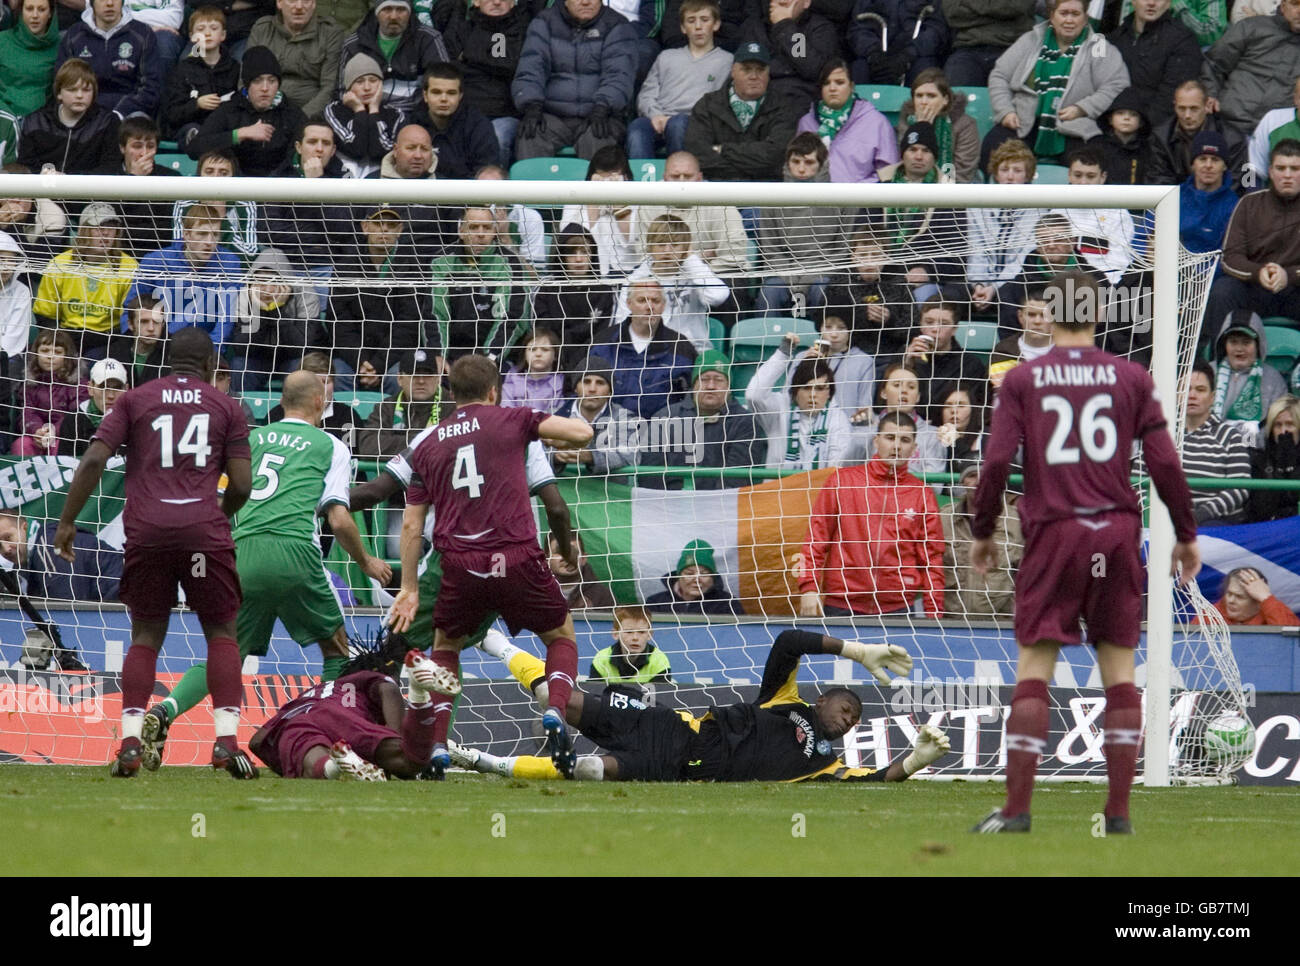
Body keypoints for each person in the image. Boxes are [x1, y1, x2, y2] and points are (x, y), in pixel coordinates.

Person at [968, 270, 1199, 834]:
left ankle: (1018, 810)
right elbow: (1165, 463)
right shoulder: (1131, 377)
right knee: (1119, 671)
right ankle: (1118, 814)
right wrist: (1186, 532)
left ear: (1048, 314)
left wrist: (983, 528)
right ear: (1099, 315)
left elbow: (996, 462)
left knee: (1036, 667)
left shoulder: (1024, 379)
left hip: (1053, 531)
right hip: (1116, 531)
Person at [136, 369, 392, 769]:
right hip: (295, 555)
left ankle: (165, 710)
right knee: (337, 648)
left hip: (244, 554)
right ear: (320, 403)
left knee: (226, 653)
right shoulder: (330, 446)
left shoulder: (249, 439)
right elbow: (338, 519)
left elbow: (216, 501)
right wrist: (366, 561)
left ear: (282, 402)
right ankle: (324, 735)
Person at [53, 327, 257, 779]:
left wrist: (67, 522)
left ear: (167, 363)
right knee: (221, 631)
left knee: (146, 635)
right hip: (202, 535)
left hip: (147, 534)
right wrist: (219, 514)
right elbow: (242, 484)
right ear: (209, 366)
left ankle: (128, 743)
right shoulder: (226, 406)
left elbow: (92, 461)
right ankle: (225, 743)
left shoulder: (134, 400)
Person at [387, 353, 595, 776]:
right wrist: (543, 432)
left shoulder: (428, 443)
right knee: (560, 635)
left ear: (451, 394)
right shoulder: (513, 419)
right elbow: (581, 432)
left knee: (445, 648)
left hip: (461, 564)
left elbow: (411, 526)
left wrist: (409, 587)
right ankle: (555, 709)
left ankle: (439, 745)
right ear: (493, 391)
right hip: (517, 555)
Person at [460, 627, 948, 783]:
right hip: (673, 728)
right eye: (846, 710)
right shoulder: (785, 700)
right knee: (555, 697)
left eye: (856, 721)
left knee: (587, 770)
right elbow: (787, 642)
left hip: (673, 766)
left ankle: (482, 761)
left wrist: (916, 761)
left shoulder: (824, 765)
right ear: (822, 698)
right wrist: (856, 651)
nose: (849, 721)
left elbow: (874, 783)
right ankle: (496, 643)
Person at [248, 630, 460, 780]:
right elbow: (387, 688)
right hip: (343, 716)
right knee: (411, 763)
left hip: (294, 724)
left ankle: (336, 765)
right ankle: (418, 689)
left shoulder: (310, 695)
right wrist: (397, 742)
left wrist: (288, 764)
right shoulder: (371, 678)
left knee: (316, 767)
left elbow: (256, 742)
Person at [800, 410, 945, 618]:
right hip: (842, 602)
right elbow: (816, 539)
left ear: (914, 448)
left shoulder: (921, 494)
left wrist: (934, 612)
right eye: (890, 437)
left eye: (904, 440)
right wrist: (809, 587)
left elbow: (932, 559)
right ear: (876, 441)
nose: (896, 446)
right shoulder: (842, 481)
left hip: (898, 608)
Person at [983, 0, 1130, 168]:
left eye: (1075, 14)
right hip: (1024, 123)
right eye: (1063, 13)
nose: (1069, 20)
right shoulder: (1031, 40)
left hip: (1075, 128)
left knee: (1095, 161)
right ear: (1052, 16)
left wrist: (1083, 108)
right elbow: (999, 75)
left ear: (1085, 18)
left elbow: (1117, 85)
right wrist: (1005, 111)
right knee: (994, 146)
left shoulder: (1099, 46)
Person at [1202, 140, 1300, 348]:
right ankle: (1217, 367)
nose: (1288, 175)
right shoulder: (1249, 203)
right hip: (1255, 289)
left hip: (1296, 289)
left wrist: (1288, 275)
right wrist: (1260, 272)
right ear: (1270, 172)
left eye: (1295, 168)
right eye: (1281, 168)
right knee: (1222, 291)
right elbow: (1230, 257)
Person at [510, 0, 636, 161]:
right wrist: (531, 105)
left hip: (600, 115)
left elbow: (619, 74)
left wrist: (603, 107)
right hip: (552, 116)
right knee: (530, 135)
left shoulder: (617, 25)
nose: (585, 2)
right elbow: (531, 68)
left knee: (600, 139)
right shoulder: (544, 22)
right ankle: (534, 188)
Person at [124, 204, 243, 353]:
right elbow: (132, 305)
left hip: (204, 346)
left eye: (215, 234)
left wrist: (213, 351)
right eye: (202, 234)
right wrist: (129, 345)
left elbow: (226, 317)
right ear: (186, 235)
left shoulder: (229, 263)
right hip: (158, 345)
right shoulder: (156, 261)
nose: (209, 242)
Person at [755, 132, 852, 315]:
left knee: (823, 289)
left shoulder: (842, 198)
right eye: (796, 161)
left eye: (809, 163)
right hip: (784, 273)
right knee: (769, 291)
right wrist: (792, 276)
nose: (801, 169)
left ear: (821, 164)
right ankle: (764, 343)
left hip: (825, 273)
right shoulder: (771, 198)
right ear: (787, 162)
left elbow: (843, 249)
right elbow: (770, 248)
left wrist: (812, 275)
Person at [640, 349, 763, 490]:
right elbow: (650, 474)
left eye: (719, 380)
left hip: (721, 507)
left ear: (729, 387)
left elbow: (737, 478)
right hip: (668, 506)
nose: (711, 386)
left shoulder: (745, 423)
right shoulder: (665, 418)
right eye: (704, 379)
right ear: (694, 385)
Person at [683, 41, 802, 183]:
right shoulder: (708, 105)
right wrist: (741, 174)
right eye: (746, 69)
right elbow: (698, 154)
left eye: (760, 70)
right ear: (733, 71)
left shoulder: (784, 106)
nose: (753, 76)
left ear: (768, 73)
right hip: (718, 185)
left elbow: (775, 155)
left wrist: (723, 149)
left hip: (766, 188)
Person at [628, 0, 731, 161]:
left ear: (716, 24)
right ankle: (642, 182)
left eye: (704, 20)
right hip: (660, 120)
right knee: (637, 127)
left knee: (678, 123)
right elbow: (646, 94)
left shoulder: (726, 61)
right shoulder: (666, 57)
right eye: (691, 21)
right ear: (683, 28)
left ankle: (680, 179)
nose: (698, 27)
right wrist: (656, 115)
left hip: (696, 124)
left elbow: (722, 103)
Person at [33, 202, 137, 359]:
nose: (106, 234)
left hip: (109, 339)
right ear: (83, 231)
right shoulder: (60, 264)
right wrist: (63, 342)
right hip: (66, 337)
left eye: (111, 227)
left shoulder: (129, 267)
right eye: (99, 228)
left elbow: (129, 321)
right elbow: (45, 316)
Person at [187, 46, 307, 177]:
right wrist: (239, 134)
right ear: (247, 84)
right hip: (237, 187)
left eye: (272, 81)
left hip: (278, 187)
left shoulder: (292, 113)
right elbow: (195, 148)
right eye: (257, 81)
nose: (265, 88)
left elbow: (298, 155)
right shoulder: (229, 110)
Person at [619, 212, 729, 350]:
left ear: (686, 248)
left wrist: (690, 259)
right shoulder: (635, 280)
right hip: (649, 351)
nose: (667, 251)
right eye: (660, 244)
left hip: (694, 349)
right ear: (650, 246)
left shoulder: (695, 273)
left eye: (675, 244)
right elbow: (622, 322)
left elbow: (718, 296)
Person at [440, 0, 529, 167]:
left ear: (513, 3)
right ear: (476, 2)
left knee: (496, 138)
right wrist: (493, 63)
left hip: (505, 114)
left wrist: (471, 56)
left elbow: (512, 65)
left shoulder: (522, 30)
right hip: (464, 112)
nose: (496, 2)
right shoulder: (462, 29)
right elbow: (450, 69)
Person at [590, 279, 697, 419]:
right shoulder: (604, 341)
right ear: (629, 304)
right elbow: (584, 389)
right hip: (607, 430)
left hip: (662, 432)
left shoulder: (681, 346)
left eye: (655, 301)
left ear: (664, 306)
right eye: (642, 300)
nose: (649, 306)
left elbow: (691, 398)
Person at [635, 151, 752, 278]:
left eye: (687, 176)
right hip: (663, 277)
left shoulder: (720, 202)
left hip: (718, 275)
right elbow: (645, 255)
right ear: (664, 178)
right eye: (675, 176)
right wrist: (702, 256)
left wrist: (696, 272)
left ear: (699, 178)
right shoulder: (648, 205)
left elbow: (733, 256)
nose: (681, 182)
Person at [429, 206, 521, 364]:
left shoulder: (509, 264)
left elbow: (510, 317)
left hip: (493, 356)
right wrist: (439, 355)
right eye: (473, 227)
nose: (480, 233)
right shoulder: (442, 262)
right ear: (461, 231)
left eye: (486, 227)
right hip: (449, 354)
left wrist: (491, 357)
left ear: (494, 232)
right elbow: (436, 314)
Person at [747, 340, 851, 470]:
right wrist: (783, 354)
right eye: (806, 388)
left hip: (818, 488)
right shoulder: (780, 408)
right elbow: (753, 395)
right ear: (795, 392)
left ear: (829, 393)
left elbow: (836, 466)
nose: (812, 395)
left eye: (819, 389)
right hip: (778, 488)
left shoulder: (837, 418)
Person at [1201, 0, 1300, 136]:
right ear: (1283, 6)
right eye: (1295, 4)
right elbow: (1214, 63)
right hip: (1228, 120)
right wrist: (1210, 93)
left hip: (1276, 134)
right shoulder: (1252, 27)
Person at [337, 0, 448, 116]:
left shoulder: (428, 39)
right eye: (387, 9)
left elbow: (444, 83)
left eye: (401, 10)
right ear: (377, 12)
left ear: (410, 13)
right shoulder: (355, 44)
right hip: (365, 114)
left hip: (415, 116)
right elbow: (342, 92)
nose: (394, 16)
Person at [795, 58, 897, 184]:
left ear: (851, 86)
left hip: (862, 201)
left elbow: (888, 174)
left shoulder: (877, 123)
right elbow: (794, 168)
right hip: (814, 200)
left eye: (839, 82)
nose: (832, 88)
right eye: (826, 83)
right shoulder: (806, 123)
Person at [0, 508, 120, 614]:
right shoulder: (25, 562)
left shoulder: (51, 547)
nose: (6, 549)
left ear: (24, 528)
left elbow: (67, 613)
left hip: (125, 607)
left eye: (8, 537)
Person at [532, 224, 616, 377]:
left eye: (584, 252)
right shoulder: (545, 289)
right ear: (561, 256)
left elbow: (602, 336)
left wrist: (579, 366)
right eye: (572, 253)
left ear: (593, 255)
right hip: (553, 365)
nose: (579, 259)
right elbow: (542, 333)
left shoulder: (605, 291)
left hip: (590, 367)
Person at [55, 0, 161, 119]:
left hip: (128, 115)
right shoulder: (74, 35)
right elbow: (62, 83)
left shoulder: (143, 34)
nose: (110, 3)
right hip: (84, 112)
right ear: (92, 3)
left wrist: (119, 113)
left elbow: (150, 89)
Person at [942, 461, 1021, 619]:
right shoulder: (943, 519)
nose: (979, 481)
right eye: (972, 476)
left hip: (1000, 625)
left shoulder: (1017, 522)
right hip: (951, 623)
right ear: (962, 481)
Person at [1107, 0, 1202, 130]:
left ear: (1169, 3)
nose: (1151, 3)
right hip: (1113, 126)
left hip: (1155, 133)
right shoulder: (1115, 38)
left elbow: (1171, 97)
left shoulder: (1182, 40)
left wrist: (1141, 128)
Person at [17, 58, 120, 175]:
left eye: (86, 90)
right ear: (59, 93)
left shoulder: (107, 122)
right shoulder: (35, 122)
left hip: (88, 191)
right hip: (43, 189)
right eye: (72, 90)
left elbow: (110, 168)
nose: (80, 95)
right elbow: (25, 166)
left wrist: (69, 180)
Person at [1182, 358, 1252, 527]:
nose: (1192, 395)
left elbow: (1239, 489)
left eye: (1200, 390)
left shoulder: (1231, 436)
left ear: (1212, 397)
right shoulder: (1157, 434)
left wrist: (1200, 515)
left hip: (1214, 525)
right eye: (1186, 389)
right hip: (1163, 522)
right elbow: (1139, 482)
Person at [248, 0, 346, 118]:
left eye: (305, 1)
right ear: (279, 3)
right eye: (292, 1)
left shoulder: (331, 33)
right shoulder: (262, 29)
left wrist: (300, 118)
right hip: (264, 109)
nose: (299, 7)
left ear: (314, 4)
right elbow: (247, 79)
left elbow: (329, 88)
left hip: (310, 112)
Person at [551, 354, 639, 478]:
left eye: (600, 383)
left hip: (612, 493)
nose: (592, 389)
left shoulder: (624, 419)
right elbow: (533, 454)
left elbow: (631, 456)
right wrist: (555, 456)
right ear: (575, 388)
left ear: (610, 391)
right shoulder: (554, 417)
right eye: (586, 382)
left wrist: (591, 457)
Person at [162, 6, 240, 146]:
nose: (207, 33)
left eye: (214, 28)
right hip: (192, 126)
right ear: (192, 36)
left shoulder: (235, 68)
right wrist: (196, 104)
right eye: (201, 29)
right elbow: (172, 113)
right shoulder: (182, 69)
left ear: (223, 35)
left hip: (224, 128)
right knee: (193, 131)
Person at [407, 62, 499, 179]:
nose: (444, 99)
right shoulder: (411, 124)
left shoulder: (479, 125)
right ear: (425, 95)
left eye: (451, 93)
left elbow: (487, 172)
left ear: (460, 96)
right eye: (436, 92)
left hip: (468, 194)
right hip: (423, 193)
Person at [736, 0, 837, 107]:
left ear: (806, 3)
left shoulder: (820, 27)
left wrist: (785, 25)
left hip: (798, 100)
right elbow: (744, 68)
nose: (782, 0)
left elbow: (810, 68)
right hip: (757, 98)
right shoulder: (756, 26)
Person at [1149, 79, 1245, 188]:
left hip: (1220, 201)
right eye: (1182, 108)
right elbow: (1158, 179)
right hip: (1176, 201)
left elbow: (1237, 181)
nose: (1187, 115)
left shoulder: (1232, 138)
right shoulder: (1161, 136)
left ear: (1207, 106)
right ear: (1174, 106)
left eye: (1194, 108)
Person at [1208, 310, 1287, 440]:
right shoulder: (1208, 373)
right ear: (1224, 344)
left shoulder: (1273, 380)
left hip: (1255, 453)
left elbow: (1278, 427)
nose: (1239, 349)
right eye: (1233, 342)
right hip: (1208, 449)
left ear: (1258, 345)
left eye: (1246, 342)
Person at [894, 68, 980, 183]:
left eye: (931, 96)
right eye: (919, 96)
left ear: (945, 99)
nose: (924, 101)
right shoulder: (906, 120)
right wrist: (921, 128)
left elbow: (963, 171)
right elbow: (905, 163)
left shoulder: (964, 124)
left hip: (954, 188)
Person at [324, 53, 402, 177]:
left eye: (373, 80)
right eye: (359, 82)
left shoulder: (395, 114)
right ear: (349, 87)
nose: (367, 87)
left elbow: (381, 152)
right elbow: (356, 149)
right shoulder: (334, 110)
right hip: (342, 177)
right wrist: (359, 109)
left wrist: (374, 110)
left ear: (381, 84)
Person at [12, 328, 86, 456]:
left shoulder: (79, 384)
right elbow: (27, 412)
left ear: (67, 356)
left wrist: (54, 431)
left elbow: (75, 415)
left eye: (57, 352)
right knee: (21, 444)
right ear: (35, 354)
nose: (50, 356)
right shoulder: (29, 384)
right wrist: (37, 431)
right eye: (44, 351)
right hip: (37, 434)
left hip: (64, 436)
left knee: (59, 446)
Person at [941, 0, 1035, 87]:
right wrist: (997, 15)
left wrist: (969, 4)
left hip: (1012, 47)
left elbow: (1015, 6)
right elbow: (952, 14)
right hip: (967, 48)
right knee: (957, 91)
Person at [646, 538, 742, 616]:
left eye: (704, 574)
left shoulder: (728, 603)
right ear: (678, 576)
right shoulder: (656, 603)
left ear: (712, 578)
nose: (696, 580)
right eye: (689, 574)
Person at [1179, 131, 1239, 259]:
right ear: (1193, 164)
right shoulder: (1173, 197)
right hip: (1171, 271)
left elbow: (1232, 255)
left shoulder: (1235, 206)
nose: (1208, 165)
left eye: (1215, 160)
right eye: (1202, 159)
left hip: (1215, 275)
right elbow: (1147, 236)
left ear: (1224, 166)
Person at [0, 0, 61, 121]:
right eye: (29, 9)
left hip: (43, 123)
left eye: (41, 9)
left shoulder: (62, 46)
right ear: (21, 12)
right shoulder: (2, 41)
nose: (35, 15)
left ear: (50, 14)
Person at [58, 356, 126, 455]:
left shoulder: (135, 420)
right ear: (90, 388)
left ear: (126, 389)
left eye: (117, 388)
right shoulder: (73, 420)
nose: (111, 395)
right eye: (103, 387)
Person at [1249, 394, 1300, 522]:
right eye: (1278, 425)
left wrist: (1291, 467)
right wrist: (1281, 468)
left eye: (1290, 424)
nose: (1284, 431)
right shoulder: (1259, 461)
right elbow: (1260, 510)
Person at [588, 604, 671, 684]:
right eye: (629, 632)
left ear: (649, 635)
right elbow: (594, 695)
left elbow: (659, 698)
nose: (635, 637)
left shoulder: (659, 661)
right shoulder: (601, 659)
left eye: (641, 632)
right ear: (615, 634)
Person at [501, 327, 565, 413]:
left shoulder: (562, 383)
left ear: (555, 355)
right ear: (525, 354)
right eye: (532, 349)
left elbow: (561, 415)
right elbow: (506, 412)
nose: (538, 354)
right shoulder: (512, 380)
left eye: (545, 350)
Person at [108, 294, 167, 386]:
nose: (151, 328)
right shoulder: (114, 353)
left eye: (156, 321)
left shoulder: (173, 353)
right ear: (130, 324)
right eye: (144, 322)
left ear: (163, 324)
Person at [548, 530, 615, 611]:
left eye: (574, 552)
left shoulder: (602, 596)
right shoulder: (534, 594)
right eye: (559, 552)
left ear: (583, 559)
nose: (567, 558)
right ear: (545, 559)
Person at [1212, 567, 1300, 626]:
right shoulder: (1212, 615)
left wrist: (1266, 598)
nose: (1231, 600)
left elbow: (1291, 640)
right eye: (1229, 594)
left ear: (1257, 602)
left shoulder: (1271, 612)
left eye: (1239, 597)